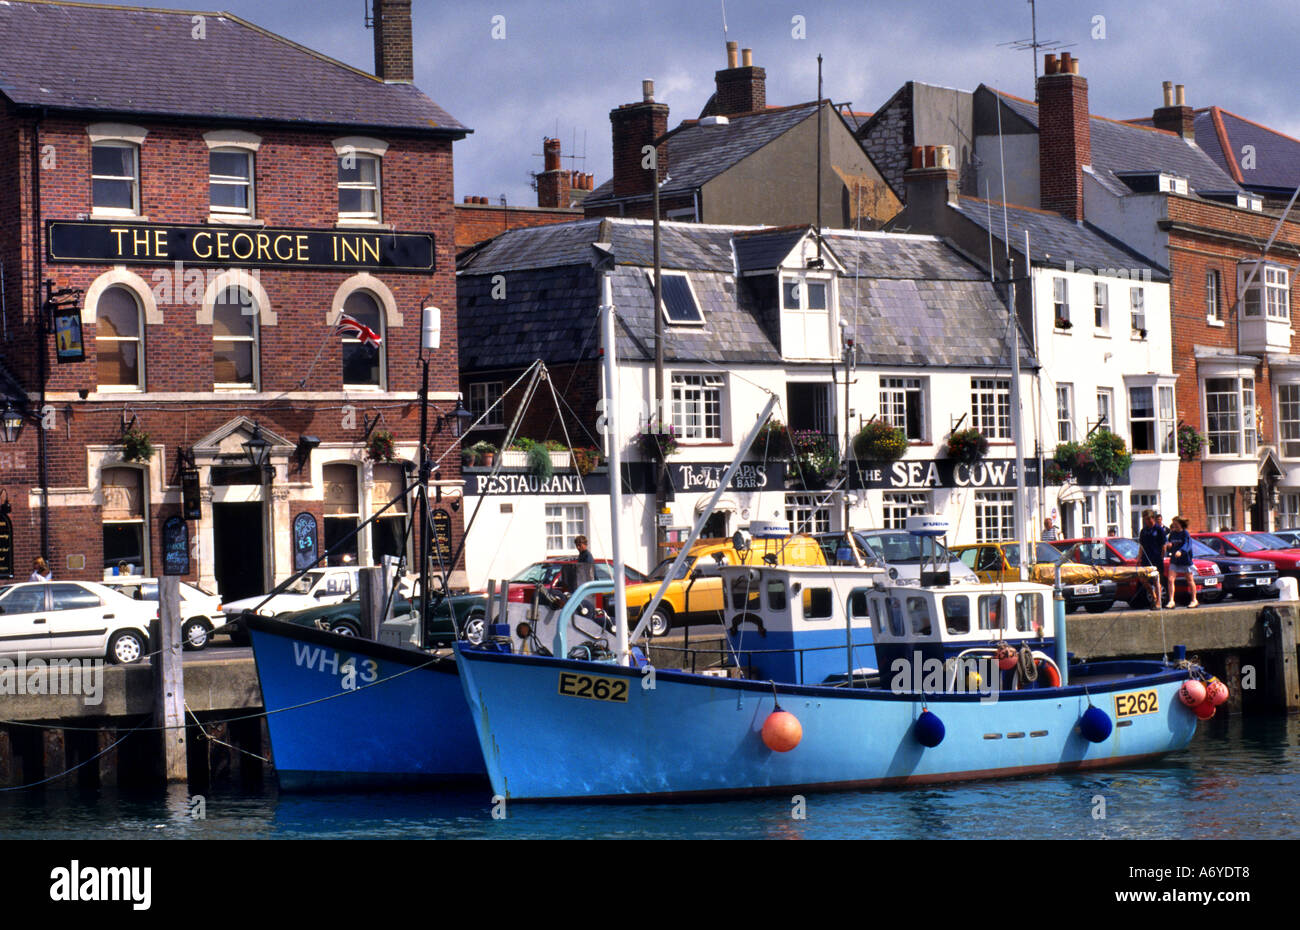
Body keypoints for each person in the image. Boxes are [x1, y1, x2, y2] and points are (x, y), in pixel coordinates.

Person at [1165, 516, 1198, 609]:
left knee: (1190, 580)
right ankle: (1171, 601)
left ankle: (1194, 600)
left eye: (1176, 523)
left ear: (1180, 524)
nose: (1174, 525)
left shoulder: (1185, 533)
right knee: (1170, 580)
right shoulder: (1172, 534)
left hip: (1185, 560)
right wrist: (1169, 545)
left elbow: (1187, 545)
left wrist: (1181, 551)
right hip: (1175, 560)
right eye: (1173, 523)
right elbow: (1170, 543)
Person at [1138, 509, 1167, 608]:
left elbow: (1164, 545)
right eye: (1145, 519)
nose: (1147, 521)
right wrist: (1139, 557)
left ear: (1152, 518)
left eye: (1148, 519)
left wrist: (1162, 557)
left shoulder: (1159, 529)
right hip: (1146, 559)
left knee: (1156, 580)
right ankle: (1153, 595)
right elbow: (1141, 545)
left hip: (1156, 559)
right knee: (1143, 579)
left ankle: (1158, 601)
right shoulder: (1143, 531)